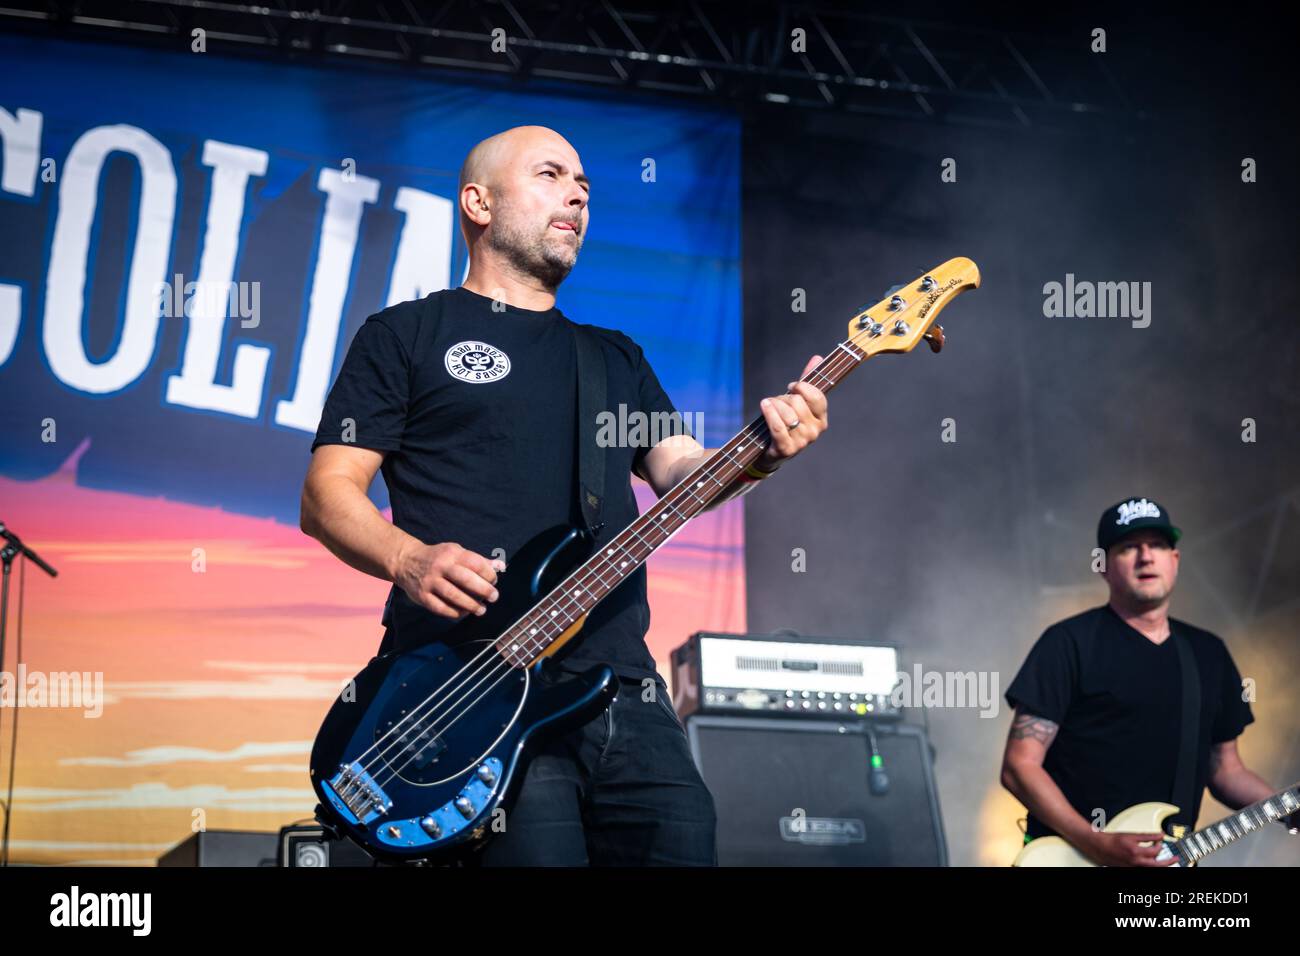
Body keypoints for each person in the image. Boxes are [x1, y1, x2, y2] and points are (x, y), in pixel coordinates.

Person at [299, 126, 828, 865]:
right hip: (470, 684)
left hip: (623, 688)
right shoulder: (407, 335)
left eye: (584, 183)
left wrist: (762, 453)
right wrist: (409, 559)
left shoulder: (611, 357)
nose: (578, 193)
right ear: (478, 203)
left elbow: (685, 472)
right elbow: (327, 493)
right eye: (551, 175)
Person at [1000, 496, 1296, 866]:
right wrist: (1096, 843)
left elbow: (1225, 769)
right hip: (1069, 857)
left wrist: (1290, 810)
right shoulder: (1068, 643)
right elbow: (1019, 766)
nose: (1145, 556)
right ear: (1104, 566)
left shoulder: (1208, 654)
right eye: (1128, 547)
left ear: (1175, 561)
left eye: (1157, 545)